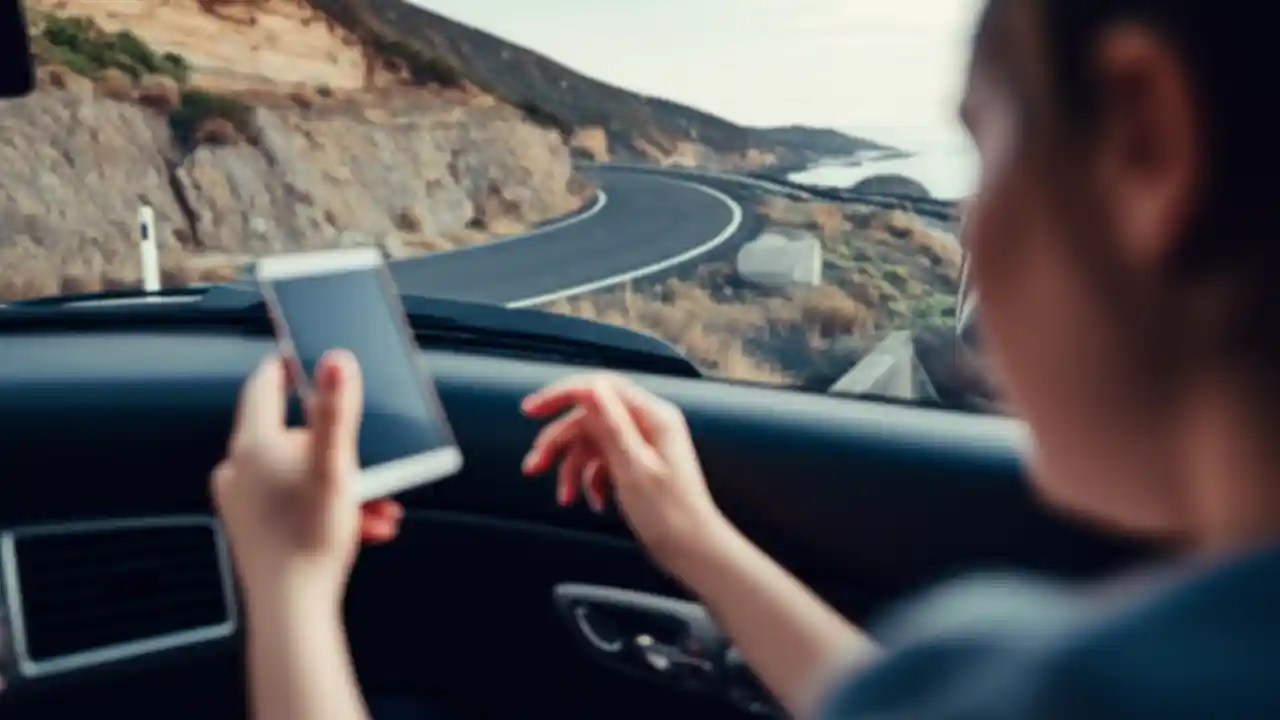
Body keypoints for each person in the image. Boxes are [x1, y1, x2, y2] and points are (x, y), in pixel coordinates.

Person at [214, 0, 1280, 717]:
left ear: (1144, 146)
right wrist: (693, 538)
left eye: (984, 143)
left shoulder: (1056, 678)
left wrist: (292, 588)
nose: (964, 223)